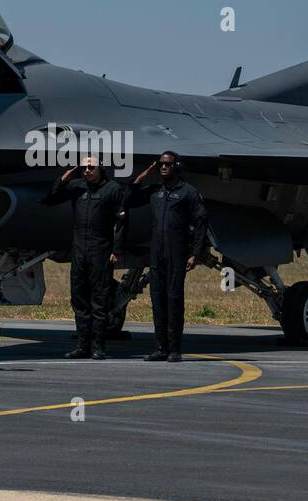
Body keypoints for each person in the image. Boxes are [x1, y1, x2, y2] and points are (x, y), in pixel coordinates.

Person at [41, 155, 127, 360]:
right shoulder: (76, 187)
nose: (87, 170)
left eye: (91, 167)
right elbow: (51, 198)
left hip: (101, 250)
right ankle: (82, 346)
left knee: (99, 300)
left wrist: (117, 250)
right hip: (79, 250)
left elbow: (123, 221)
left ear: (100, 168)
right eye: (84, 168)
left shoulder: (113, 189)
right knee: (79, 299)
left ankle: (98, 347)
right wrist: (64, 178)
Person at [126, 151, 209, 363]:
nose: (163, 167)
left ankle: (174, 349)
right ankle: (159, 348)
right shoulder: (155, 192)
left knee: (174, 300)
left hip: (177, 252)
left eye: (168, 164)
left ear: (177, 166)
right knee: (157, 300)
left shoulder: (188, 193)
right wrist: (141, 178)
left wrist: (196, 253)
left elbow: (201, 222)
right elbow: (129, 200)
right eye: (161, 164)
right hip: (157, 252)